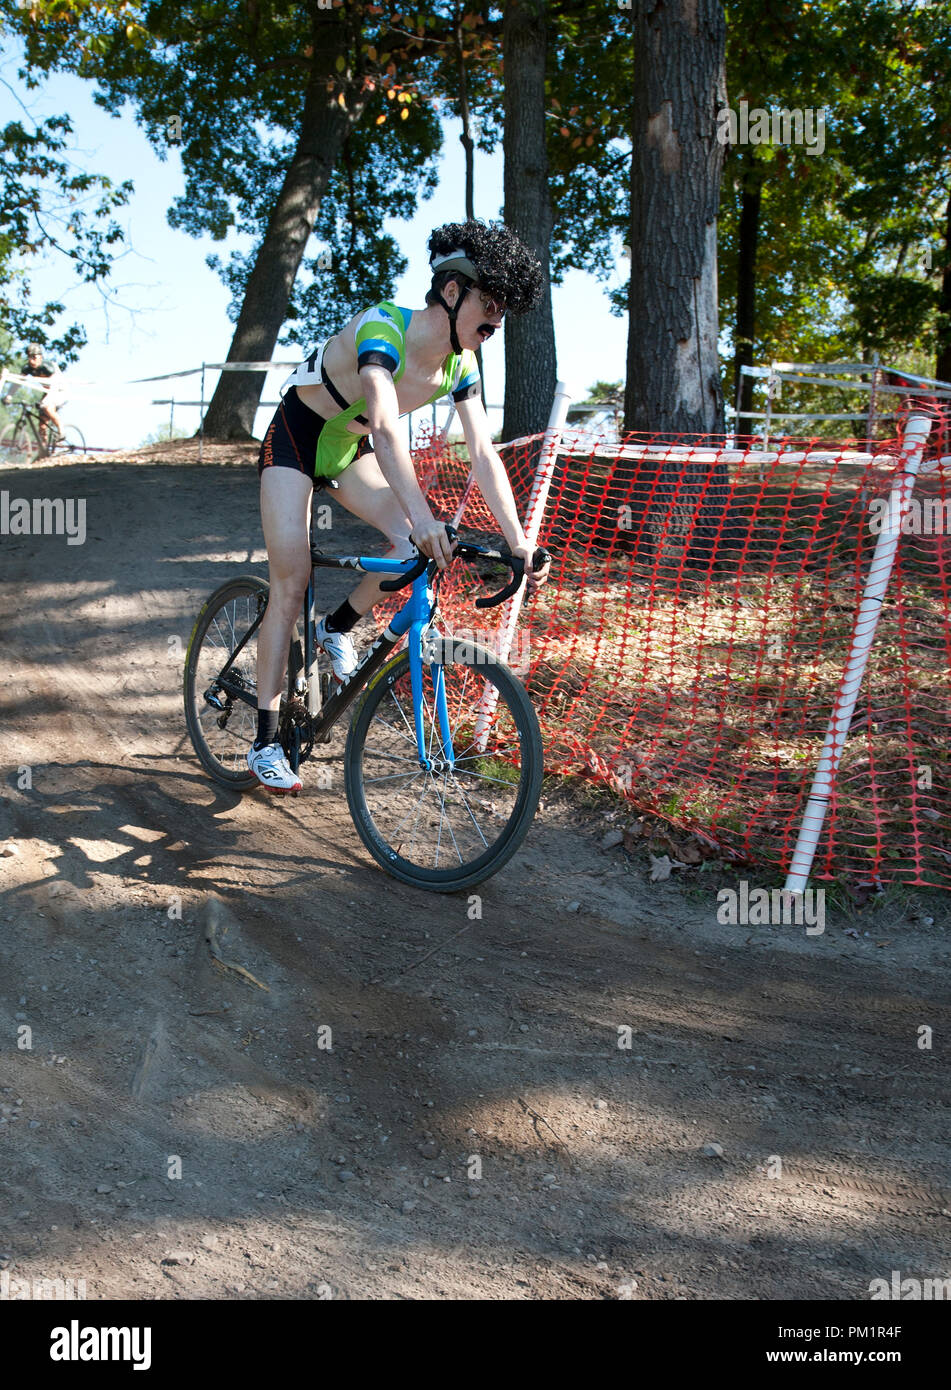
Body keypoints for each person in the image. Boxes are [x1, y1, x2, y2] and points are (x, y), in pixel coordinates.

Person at [248, 218, 551, 792]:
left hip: (344, 449)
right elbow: (386, 429)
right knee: (291, 581)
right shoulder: (382, 327)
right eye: (490, 303)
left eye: (505, 310)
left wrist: (518, 541)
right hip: (297, 436)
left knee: (407, 544)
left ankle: (336, 627)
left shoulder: (461, 365)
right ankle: (264, 737)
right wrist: (423, 515)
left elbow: (484, 453)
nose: (496, 320)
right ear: (453, 291)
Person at [22, 344, 65, 443]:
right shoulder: (28, 368)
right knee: (42, 425)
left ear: (40, 357)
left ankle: (61, 430)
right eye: (29, 357)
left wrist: (45, 401)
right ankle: (44, 449)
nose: (31, 360)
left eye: (34, 357)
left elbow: (55, 385)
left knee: (47, 408)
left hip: (59, 391)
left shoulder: (47, 367)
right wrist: (9, 395)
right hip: (48, 393)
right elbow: (19, 381)